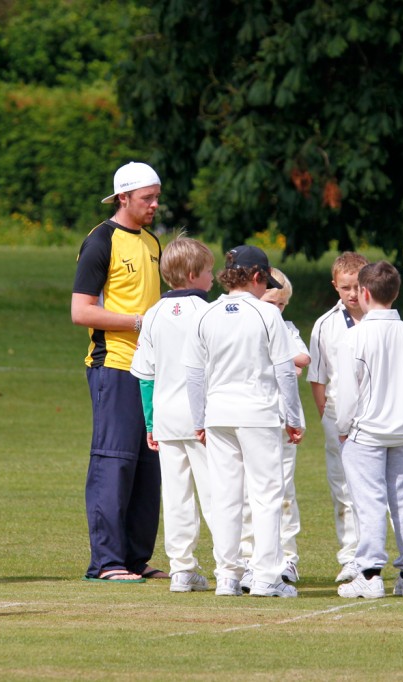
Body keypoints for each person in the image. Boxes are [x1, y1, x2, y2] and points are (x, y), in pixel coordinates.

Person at [183, 246, 304, 598]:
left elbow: (194, 373)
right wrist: (294, 418)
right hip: (259, 414)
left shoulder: (206, 315)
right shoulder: (267, 315)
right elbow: (284, 369)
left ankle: (228, 576)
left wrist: (199, 419)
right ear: (255, 276)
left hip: (219, 415)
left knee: (226, 496)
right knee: (266, 495)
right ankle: (266, 577)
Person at [71, 162, 166, 583]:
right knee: (115, 462)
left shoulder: (152, 242)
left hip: (151, 369)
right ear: (123, 197)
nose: (155, 205)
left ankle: (135, 558)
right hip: (114, 366)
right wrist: (139, 322)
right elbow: (81, 311)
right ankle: (107, 562)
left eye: (157, 196)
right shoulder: (100, 241)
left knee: (149, 463)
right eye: (147, 198)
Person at [334, 261, 403, 599]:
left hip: (366, 432)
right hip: (402, 428)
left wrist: (343, 427)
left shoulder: (354, 337)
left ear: (364, 293)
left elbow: (347, 393)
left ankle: (370, 573)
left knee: (369, 501)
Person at [130, 235, 216, 593]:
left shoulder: (152, 314)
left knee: (177, 495)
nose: (213, 278)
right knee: (218, 492)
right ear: (194, 273)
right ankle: (234, 566)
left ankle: (182, 568)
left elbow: (145, 376)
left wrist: (150, 422)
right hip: (204, 419)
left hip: (166, 418)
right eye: (209, 271)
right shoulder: (208, 312)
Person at [240, 268, 310, 590]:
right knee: (245, 492)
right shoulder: (246, 326)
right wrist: (281, 363)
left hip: (281, 422)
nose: (276, 310)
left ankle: (287, 558)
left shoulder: (286, 328)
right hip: (252, 417)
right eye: (271, 301)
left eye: (282, 305)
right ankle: (249, 559)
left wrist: (281, 359)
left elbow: (302, 358)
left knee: (283, 492)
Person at [307, 251, 368, 582]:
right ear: (335, 286)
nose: (353, 294)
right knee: (343, 488)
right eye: (346, 288)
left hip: (377, 417)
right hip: (338, 419)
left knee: (386, 487)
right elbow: (318, 380)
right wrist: (328, 419)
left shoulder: (383, 317)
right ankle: (351, 555)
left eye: (358, 286)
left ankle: (401, 555)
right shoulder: (325, 325)